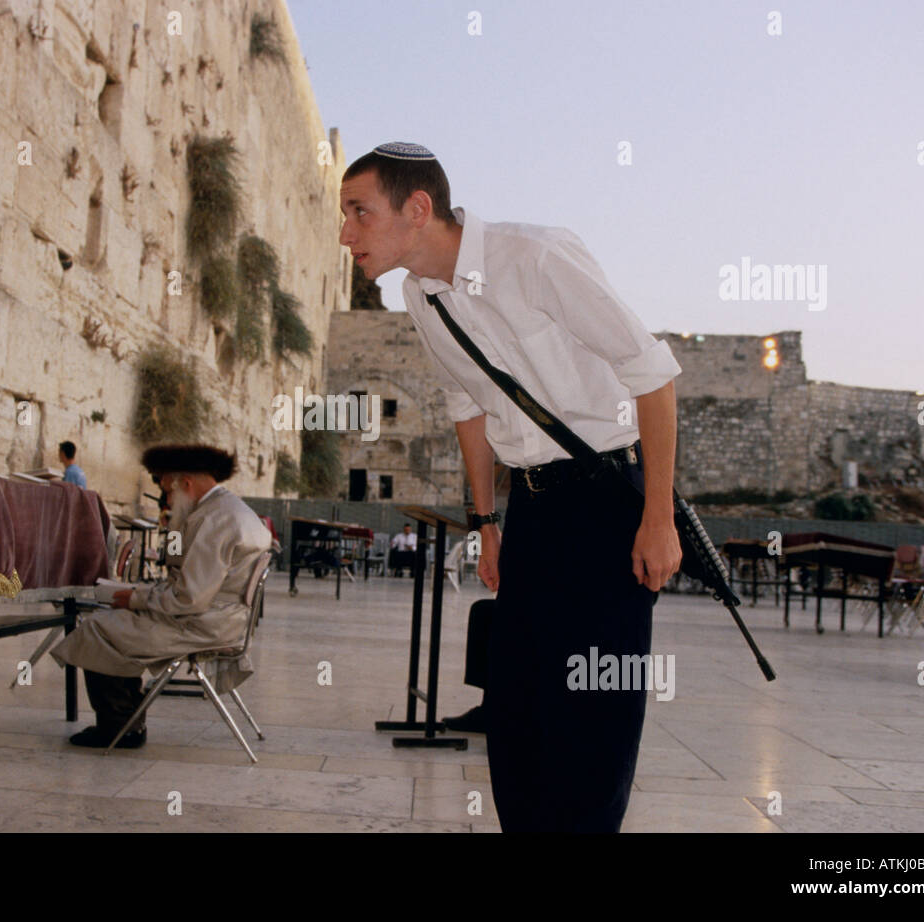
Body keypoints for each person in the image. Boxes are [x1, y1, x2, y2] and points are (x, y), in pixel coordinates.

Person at [340, 142, 683, 832]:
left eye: (358, 212)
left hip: (604, 500)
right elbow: (467, 406)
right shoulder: (421, 294)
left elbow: (653, 373)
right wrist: (484, 519)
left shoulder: (536, 257)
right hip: (530, 509)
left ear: (417, 209)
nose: (345, 233)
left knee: (593, 709)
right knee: (520, 707)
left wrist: (658, 517)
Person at [49, 444, 272, 748]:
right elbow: (177, 567)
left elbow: (188, 598)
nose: (166, 500)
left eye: (168, 491)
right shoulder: (227, 510)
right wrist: (175, 528)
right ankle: (127, 720)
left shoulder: (214, 521)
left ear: (186, 484)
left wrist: (134, 598)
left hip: (200, 625)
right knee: (117, 623)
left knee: (99, 626)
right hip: (217, 620)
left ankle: (119, 726)